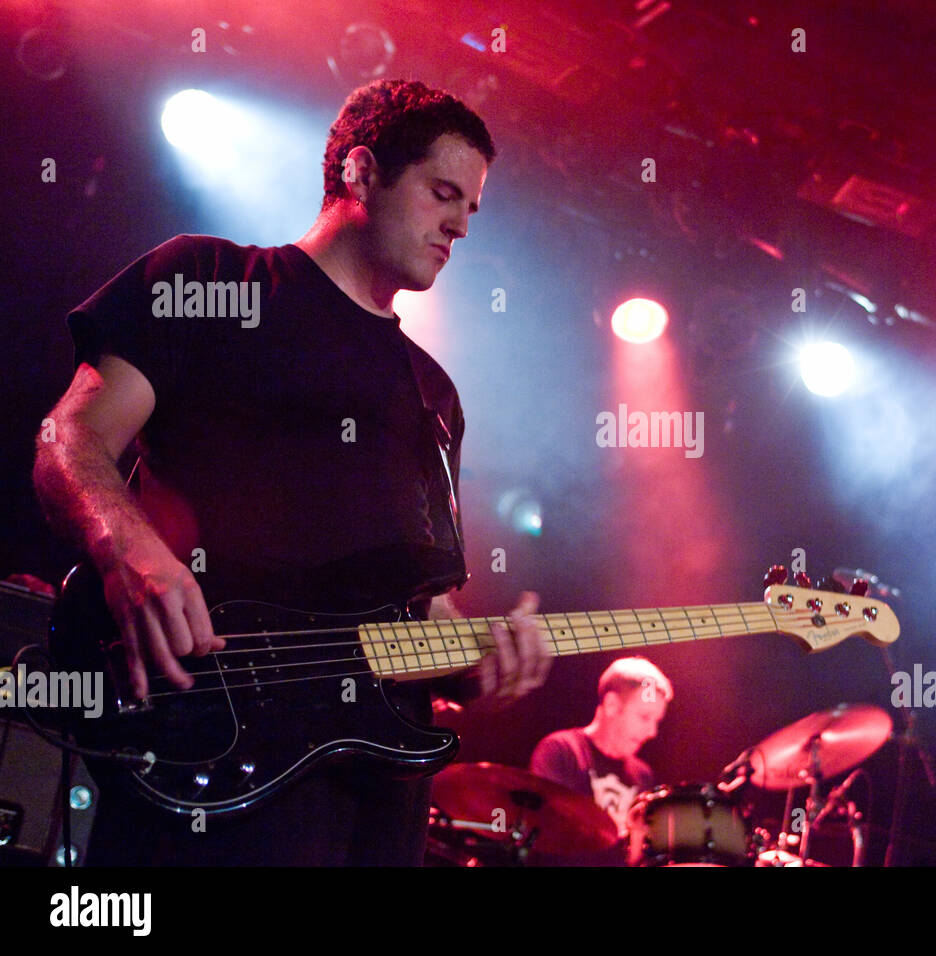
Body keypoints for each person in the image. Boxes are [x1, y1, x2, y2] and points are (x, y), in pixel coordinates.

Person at [31, 78, 551, 865]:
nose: (460, 226)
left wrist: (482, 659)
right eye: (444, 193)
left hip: (375, 805)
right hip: (202, 747)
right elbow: (70, 437)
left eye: (472, 208)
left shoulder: (434, 393)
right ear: (361, 172)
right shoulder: (209, 278)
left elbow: (424, 608)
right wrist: (129, 553)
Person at [530, 657, 671, 838]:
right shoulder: (561, 751)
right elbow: (548, 831)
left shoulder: (643, 775)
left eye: (656, 721)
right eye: (644, 717)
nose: (652, 732)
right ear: (612, 705)